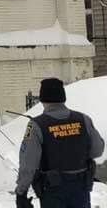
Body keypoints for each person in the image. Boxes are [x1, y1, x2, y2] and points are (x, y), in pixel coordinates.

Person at [16, 78, 104, 208]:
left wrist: (21, 192)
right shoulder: (83, 119)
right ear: (63, 97)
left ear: (42, 98)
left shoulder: (37, 125)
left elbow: (28, 163)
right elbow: (97, 150)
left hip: (52, 191)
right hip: (81, 188)